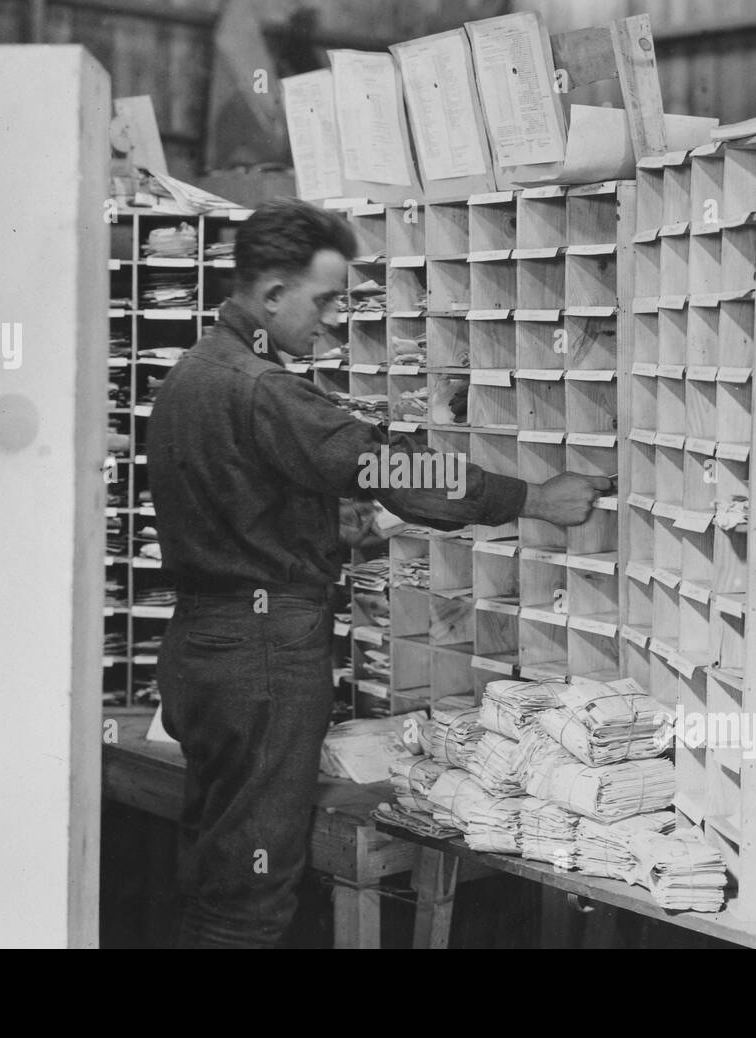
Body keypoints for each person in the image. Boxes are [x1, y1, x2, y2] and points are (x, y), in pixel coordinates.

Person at [148, 198, 610, 948]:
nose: (331, 319)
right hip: (264, 655)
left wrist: (324, 529)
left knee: (217, 873)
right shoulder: (266, 389)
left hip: (202, 646)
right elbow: (397, 466)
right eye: (324, 299)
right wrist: (533, 497)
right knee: (252, 901)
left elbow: (234, 501)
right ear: (270, 297)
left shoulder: (190, 376)